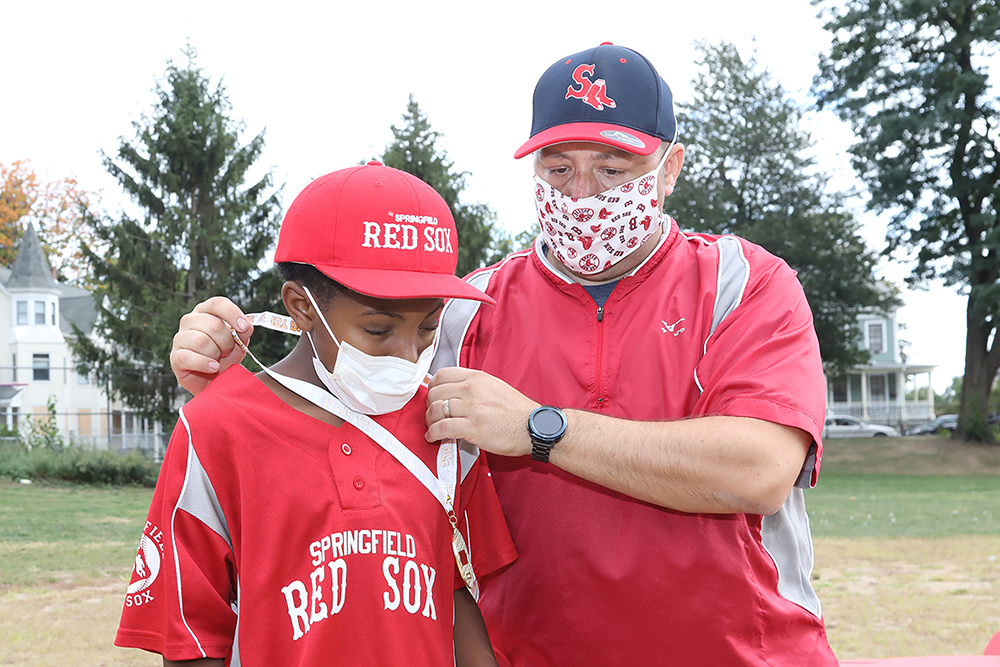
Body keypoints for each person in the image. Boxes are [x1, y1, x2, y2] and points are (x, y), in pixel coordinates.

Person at [169, 44, 839, 665]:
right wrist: (230, 373)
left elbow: (758, 470)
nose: (582, 196)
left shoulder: (741, 282)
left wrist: (539, 428)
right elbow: (353, 413)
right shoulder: (463, 310)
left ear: (669, 169)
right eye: (558, 168)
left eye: (612, 168)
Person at [116, 162, 517, 667]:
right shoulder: (217, 428)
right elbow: (192, 634)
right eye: (377, 330)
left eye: (427, 328)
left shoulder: (448, 425)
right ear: (301, 307)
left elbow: (460, 594)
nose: (406, 352)